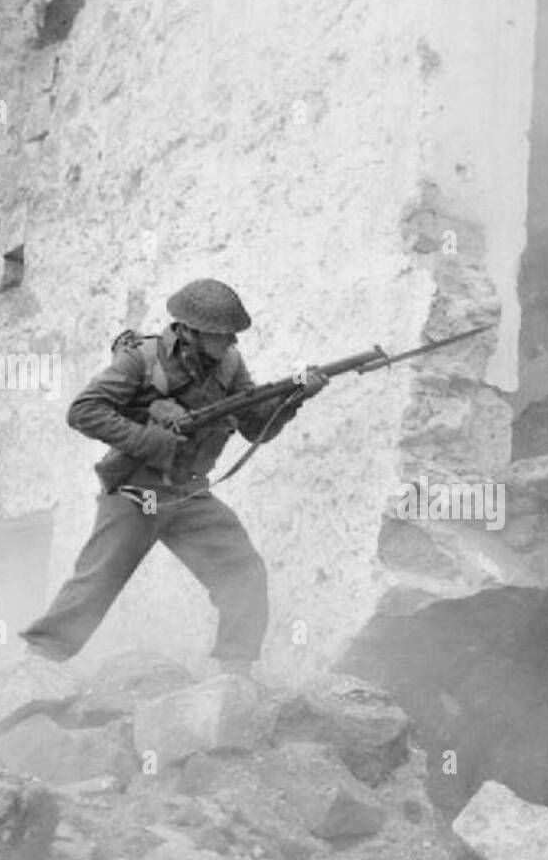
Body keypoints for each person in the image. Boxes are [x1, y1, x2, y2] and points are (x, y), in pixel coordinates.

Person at [21, 278, 328, 672]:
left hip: (187, 492)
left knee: (242, 570)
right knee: (99, 578)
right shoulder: (141, 358)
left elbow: (254, 427)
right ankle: (38, 665)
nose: (231, 342)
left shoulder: (229, 366)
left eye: (232, 334)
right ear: (190, 333)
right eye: (221, 335)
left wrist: (294, 398)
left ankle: (235, 675)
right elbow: (84, 411)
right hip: (138, 489)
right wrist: (151, 441)